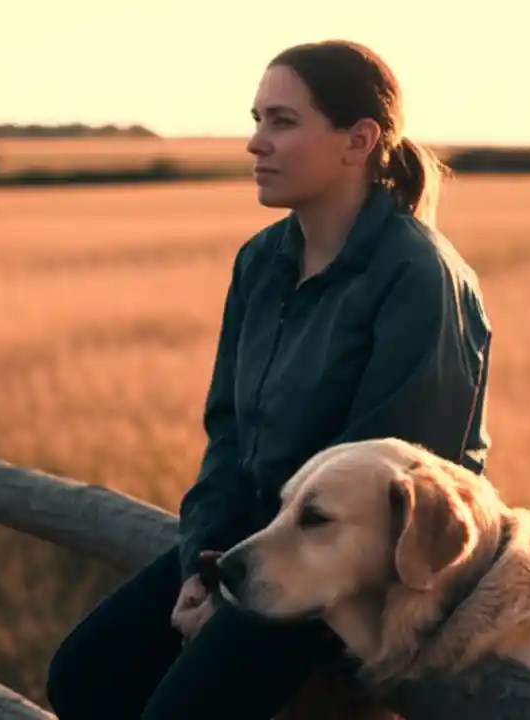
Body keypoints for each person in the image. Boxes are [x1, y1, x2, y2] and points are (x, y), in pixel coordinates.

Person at [45, 39, 493, 720]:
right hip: (257, 539)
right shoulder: (261, 260)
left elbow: (388, 487)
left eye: (282, 122)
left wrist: (239, 592)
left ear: (359, 141)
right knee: (82, 676)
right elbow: (227, 433)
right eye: (257, 119)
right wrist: (202, 564)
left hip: (350, 568)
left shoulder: (418, 276)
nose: (256, 142)